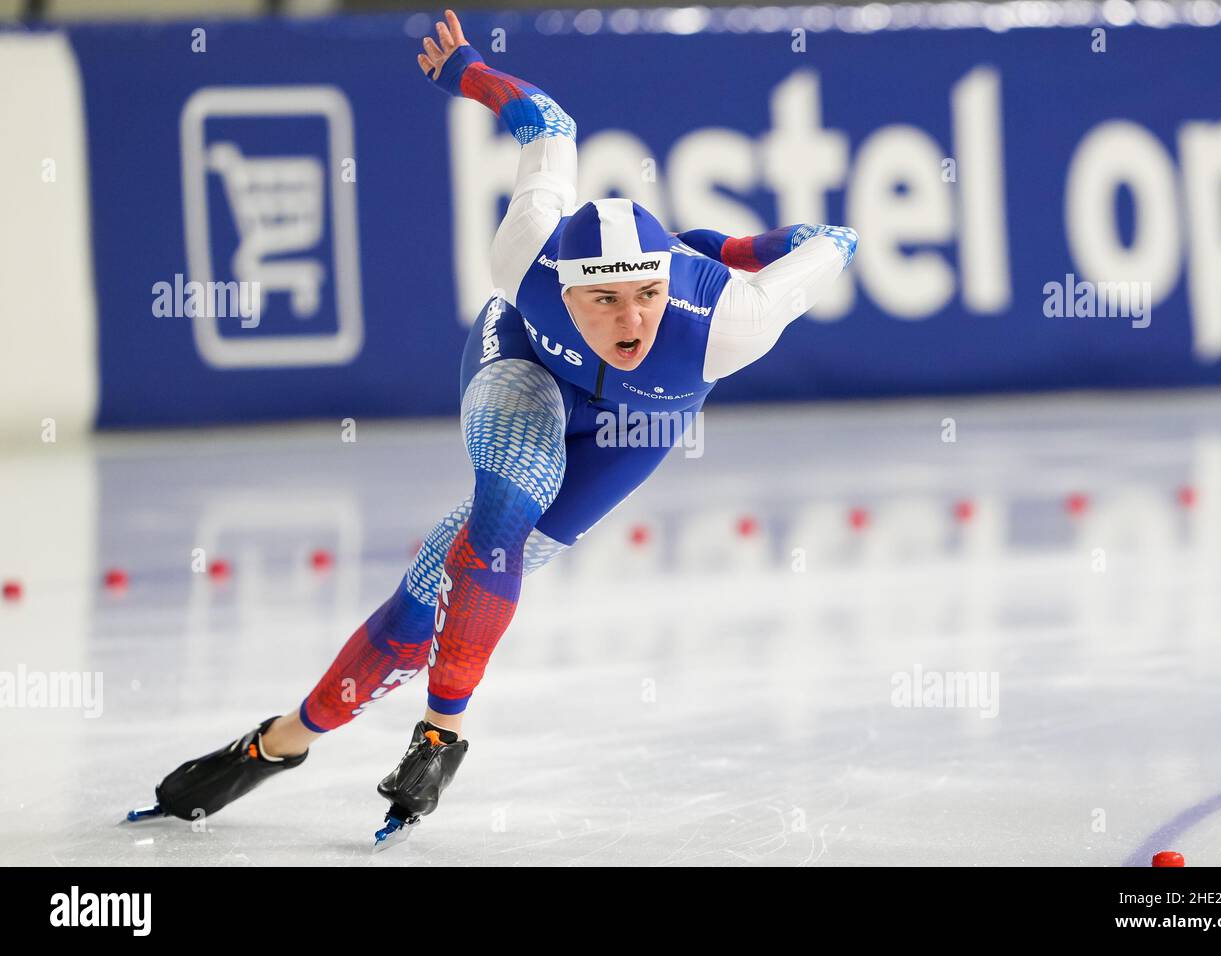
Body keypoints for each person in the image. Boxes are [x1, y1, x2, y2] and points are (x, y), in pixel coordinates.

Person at [127, 9, 858, 847]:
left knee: (438, 583)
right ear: (565, 283)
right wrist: (468, 69)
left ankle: (277, 742)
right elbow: (547, 126)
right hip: (525, 368)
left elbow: (835, 238)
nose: (630, 321)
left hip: (637, 428)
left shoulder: (734, 319)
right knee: (500, 519)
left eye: (647, 295)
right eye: (603, 299)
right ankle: (441, 736)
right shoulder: (526, 255)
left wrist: (742, 246)